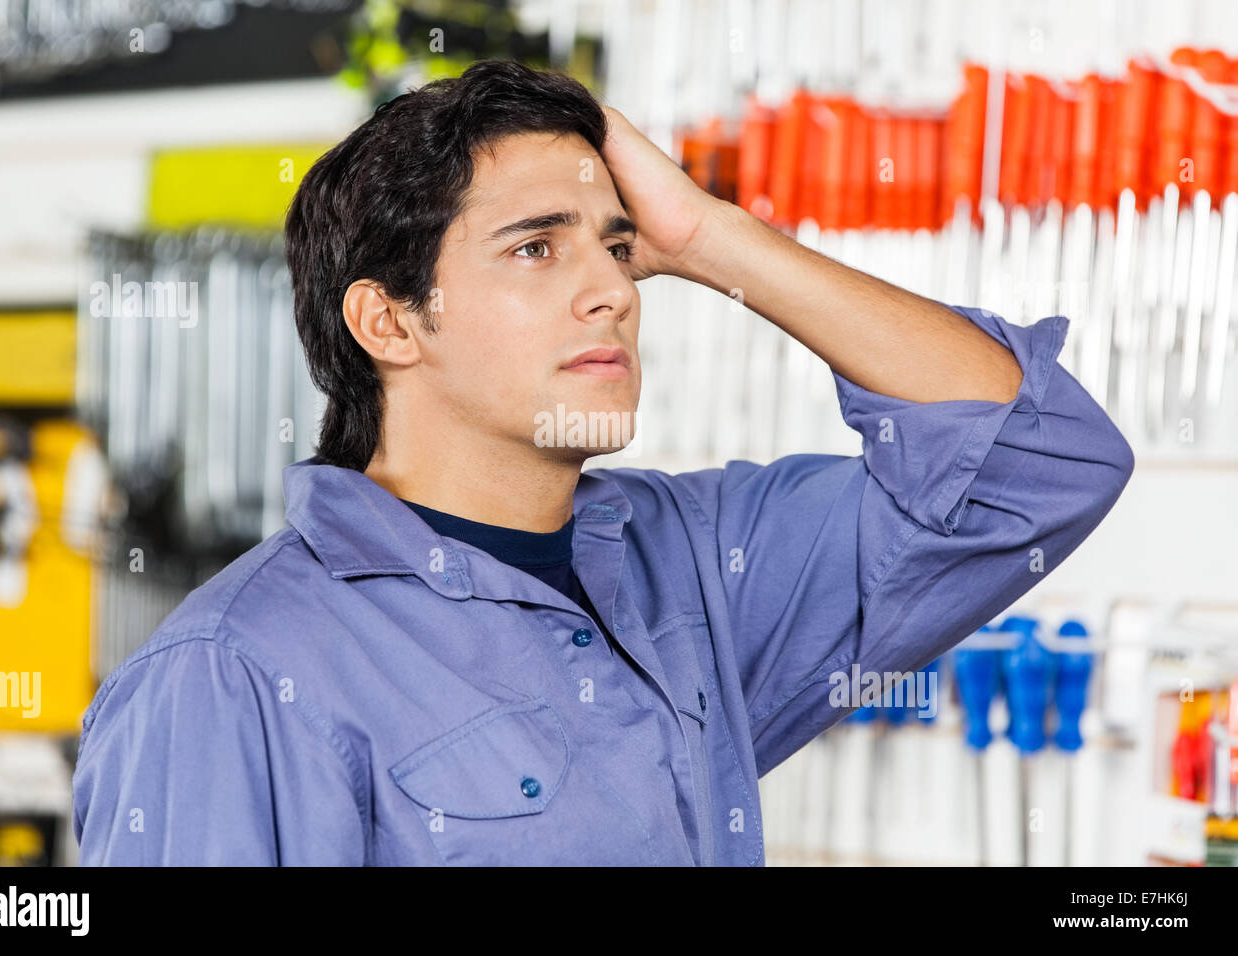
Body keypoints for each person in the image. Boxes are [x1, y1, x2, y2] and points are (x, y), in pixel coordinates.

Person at [72, 59, 1134, 865]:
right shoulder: (229, 674)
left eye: (619, 249)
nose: (615, 291)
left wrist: (711, 238)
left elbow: (1037, 464)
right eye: (537, 247)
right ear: (388, 321)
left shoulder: (701, 566)